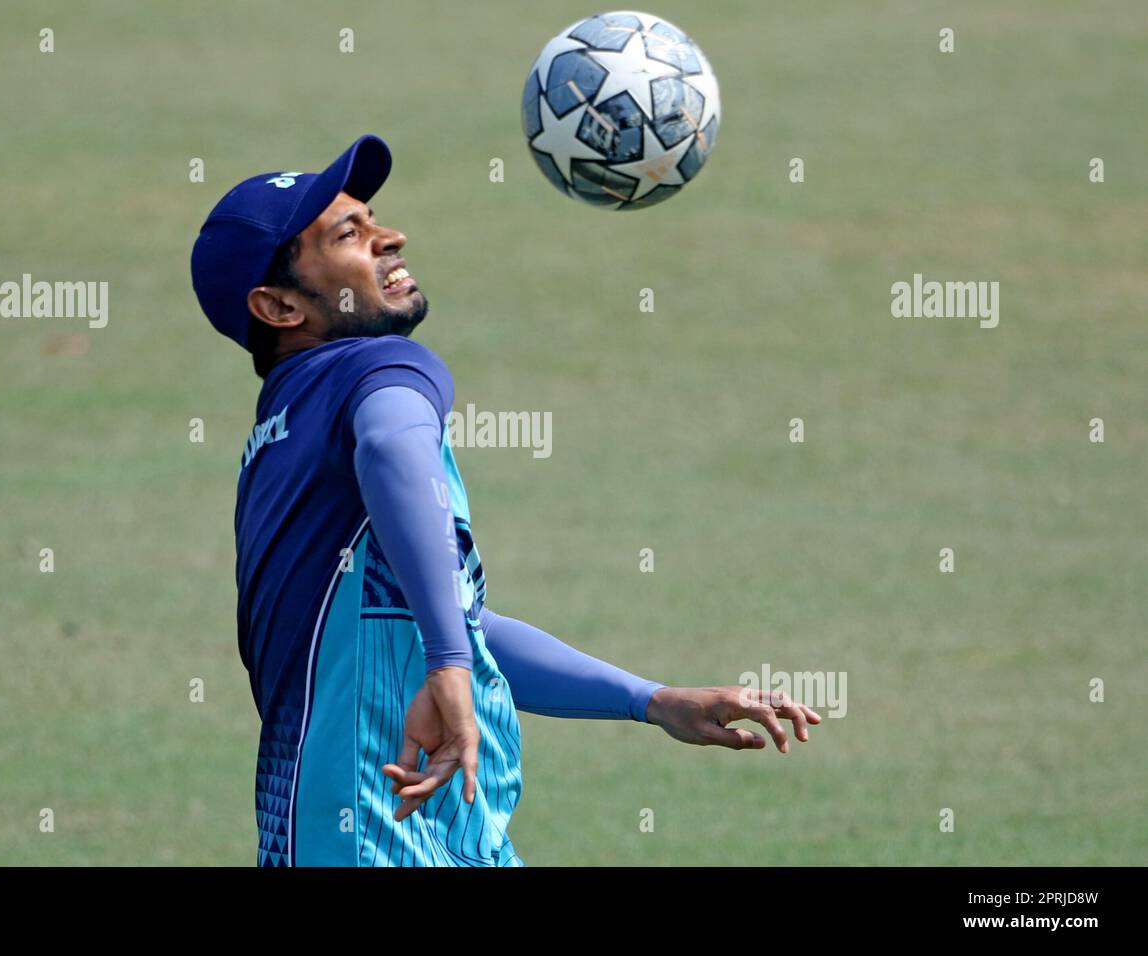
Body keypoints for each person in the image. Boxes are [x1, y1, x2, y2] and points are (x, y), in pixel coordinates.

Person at [190, 134, 820, 867]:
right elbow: (396, 448)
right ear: (277, 306)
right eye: (348, 235)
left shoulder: (283, 437)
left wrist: (649, 700)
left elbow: (447, 622)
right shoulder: (378, 366)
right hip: (372, 840)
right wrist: (450, 664)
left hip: (378, 835)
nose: (391, 238)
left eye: (373, 219)